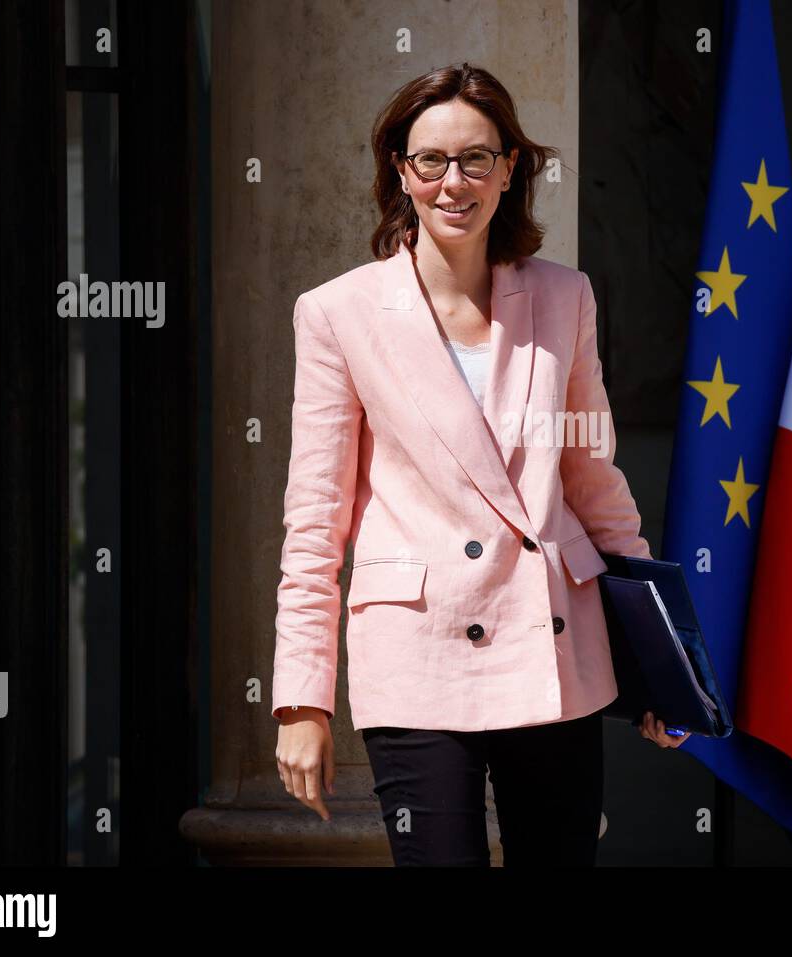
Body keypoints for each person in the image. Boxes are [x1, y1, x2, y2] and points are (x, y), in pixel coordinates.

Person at [272, 62, 687, 867]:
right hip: (418, 653)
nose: (452, 181)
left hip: (550, 645)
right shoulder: (337, 314)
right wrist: (301, 699)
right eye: (431, 160)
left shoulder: (566, 297)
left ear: (509, 171)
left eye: (476, 159)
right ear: (400, 169)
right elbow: (315, 521)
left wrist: (660, 661)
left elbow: (594, 485)